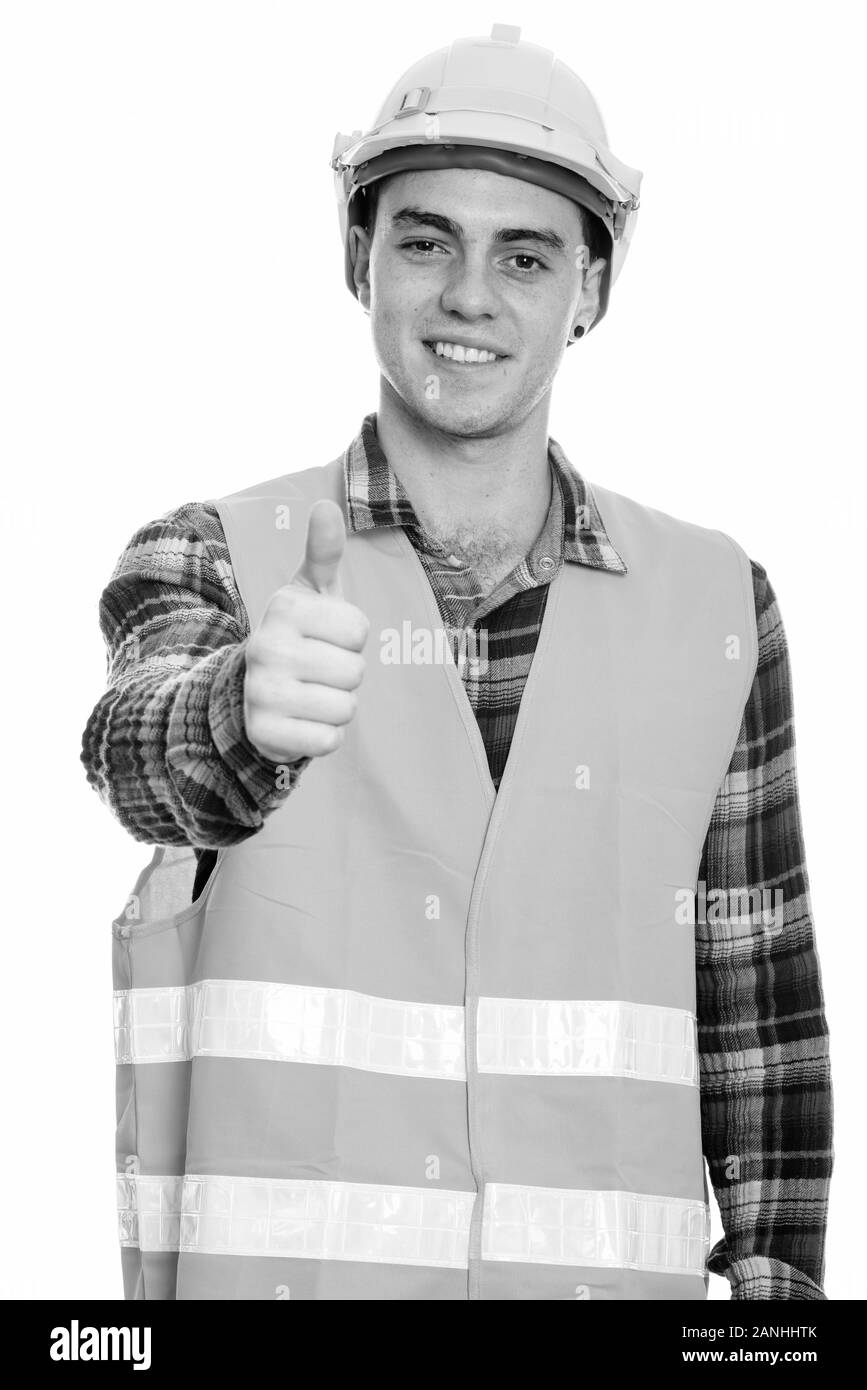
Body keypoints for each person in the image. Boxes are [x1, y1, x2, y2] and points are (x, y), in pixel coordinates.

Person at [81, 24, 832, 1301]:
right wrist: (236, 715)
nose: (469, 295)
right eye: (426, 240)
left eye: (525, 255)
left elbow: (756, 1001)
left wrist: (772, 1320)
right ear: (357, 259)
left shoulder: (718, 605)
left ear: (590, 289)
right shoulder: (217, 557)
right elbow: (137, 757)